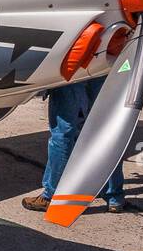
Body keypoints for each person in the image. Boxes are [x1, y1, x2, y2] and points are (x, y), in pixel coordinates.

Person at [22, 77, 126, 215]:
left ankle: (53, 195)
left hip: (75, 69)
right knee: (105, 130)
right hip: (105, 65)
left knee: (63, 133)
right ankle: (114, 196)